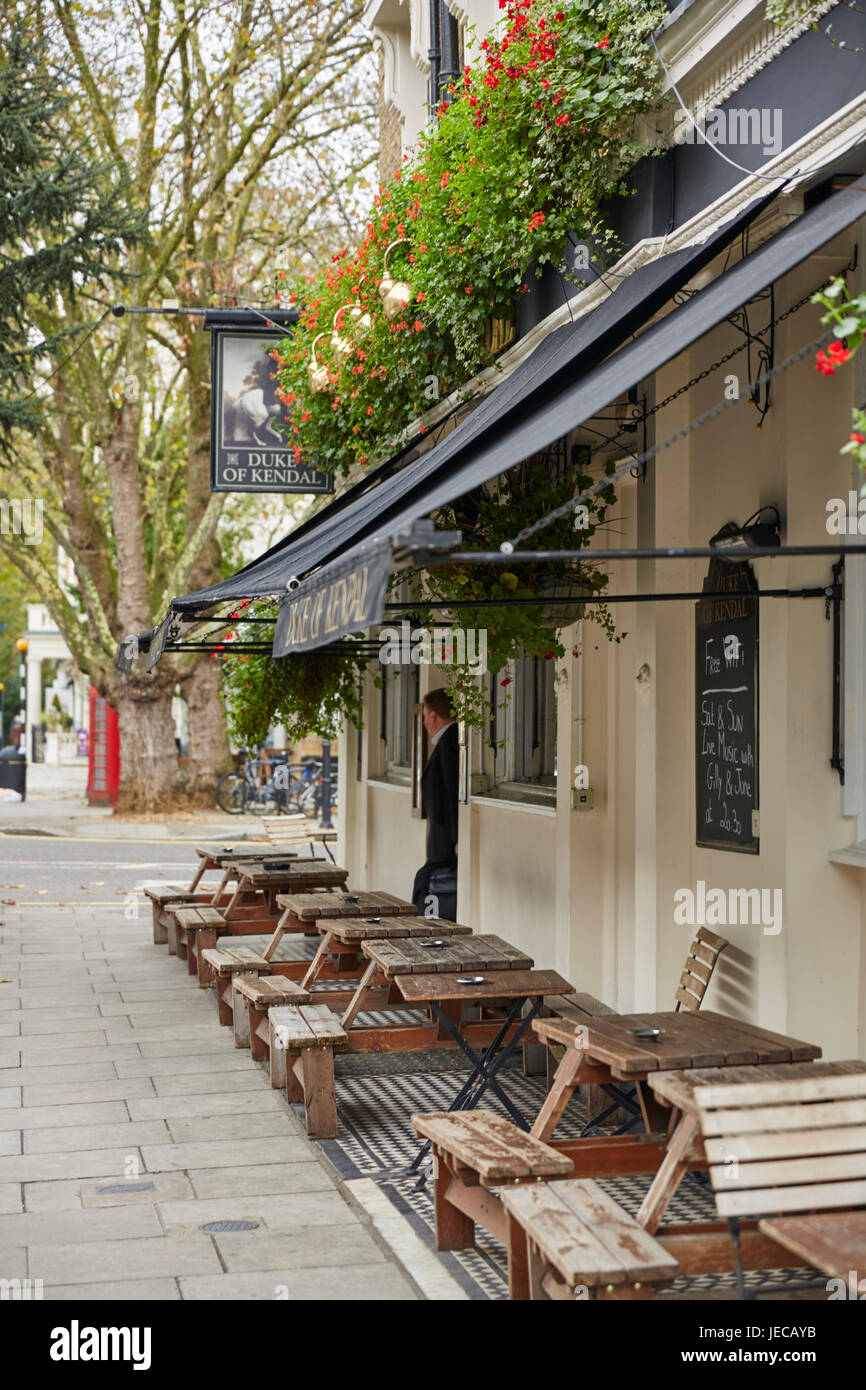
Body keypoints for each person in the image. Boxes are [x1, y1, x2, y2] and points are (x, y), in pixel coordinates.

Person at [412, 688, 459, 918]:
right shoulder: (446, 743)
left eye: (424, 716)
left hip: (446, 846)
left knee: (427, 888)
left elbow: (453, 793)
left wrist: (457, 839)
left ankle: (427, 939)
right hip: (442, 843)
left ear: (432, 716)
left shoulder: (449, 744)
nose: (423, 722)